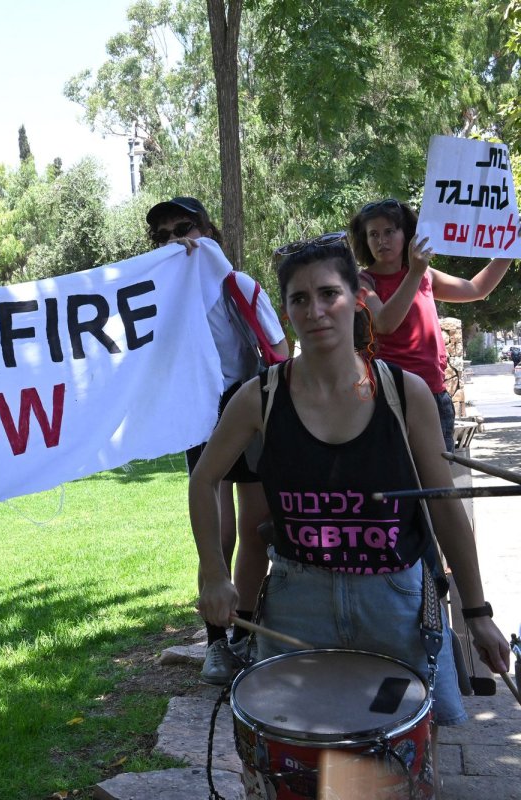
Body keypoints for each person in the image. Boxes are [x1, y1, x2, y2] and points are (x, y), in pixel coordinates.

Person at [190, 233, 511, 786]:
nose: (315, 311)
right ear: (285, 309)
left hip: (395, 606)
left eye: (329, 294)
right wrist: (212, 572)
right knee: (301, 774)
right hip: (298, 604)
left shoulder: (402, 393)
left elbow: (445, 510)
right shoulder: (260, 396)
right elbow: (204, 479)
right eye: (298, 299)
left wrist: (477, 613)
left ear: (356, 297)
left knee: (395, 770)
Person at [146, 197, 288, 685]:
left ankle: (244, 633)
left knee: (255, 527)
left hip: (247, 407)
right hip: (196, 411)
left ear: (210, 233)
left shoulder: (237, 286)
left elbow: (278, 351)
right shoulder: (157, 299)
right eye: (162, 236)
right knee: (214, 535)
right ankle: (215, 643)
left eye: (185, 228)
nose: (176, 241)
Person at [350, 198, 512, 452]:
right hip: (391, 399)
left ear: (407, 234)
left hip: (435, 394)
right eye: (373, 234)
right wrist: (415, 273)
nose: (382, 241)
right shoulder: (364, 282)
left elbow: (476, 289)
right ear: (365, 240)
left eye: (390, 231)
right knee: (401, 484)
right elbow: (384, 324)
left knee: (439, 485)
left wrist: (511, 249)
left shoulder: (425, 274)